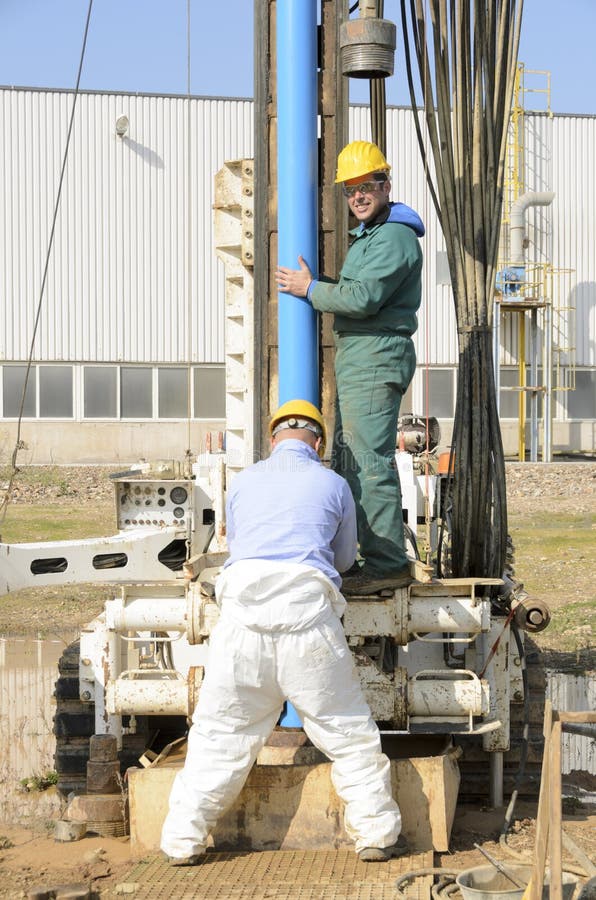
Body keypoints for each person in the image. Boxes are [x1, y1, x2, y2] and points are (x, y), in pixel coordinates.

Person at [160, 399, 406, 865]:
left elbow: (236, 544)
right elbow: (344, 561)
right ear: (319, 442)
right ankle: (375, 834)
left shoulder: (244, 481)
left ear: (273, 439)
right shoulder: (333, 484)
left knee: (219, 734)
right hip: (308, 628)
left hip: (241, 629)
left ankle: (181, 841)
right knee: (348, 732)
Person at [276, 141, 424, 595]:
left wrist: (311, 289)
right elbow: (358, 291)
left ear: (386, 185)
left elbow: (362, 299)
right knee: (347, 460)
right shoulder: (371, 236)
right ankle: (368, 554)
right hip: (361, 355)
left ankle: (387, 564)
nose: (358, 196)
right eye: (350, 190)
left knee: (367, 461)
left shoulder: (394, 238)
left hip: (376, 356)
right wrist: (320, 287)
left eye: (366, 186)